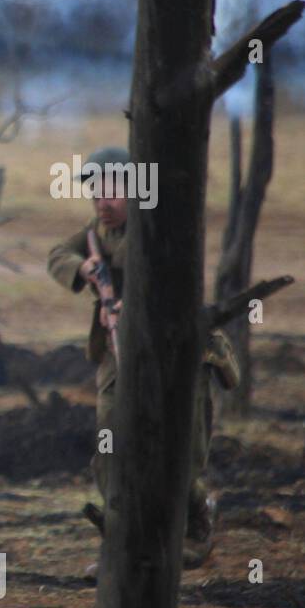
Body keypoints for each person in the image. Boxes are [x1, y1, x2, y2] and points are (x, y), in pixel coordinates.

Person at [46, 146, 239, 572]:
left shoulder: (159, 227)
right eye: (95, 193)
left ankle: (196, 518)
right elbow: (58, 254)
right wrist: (83, 269)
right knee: (110, 442)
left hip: (179, 351)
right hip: (120, 352)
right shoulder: (97, 233)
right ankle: (123, 544)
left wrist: (115, 290)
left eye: (112, 192)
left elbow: (156, 269)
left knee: (180, 450)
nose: (102, 202)